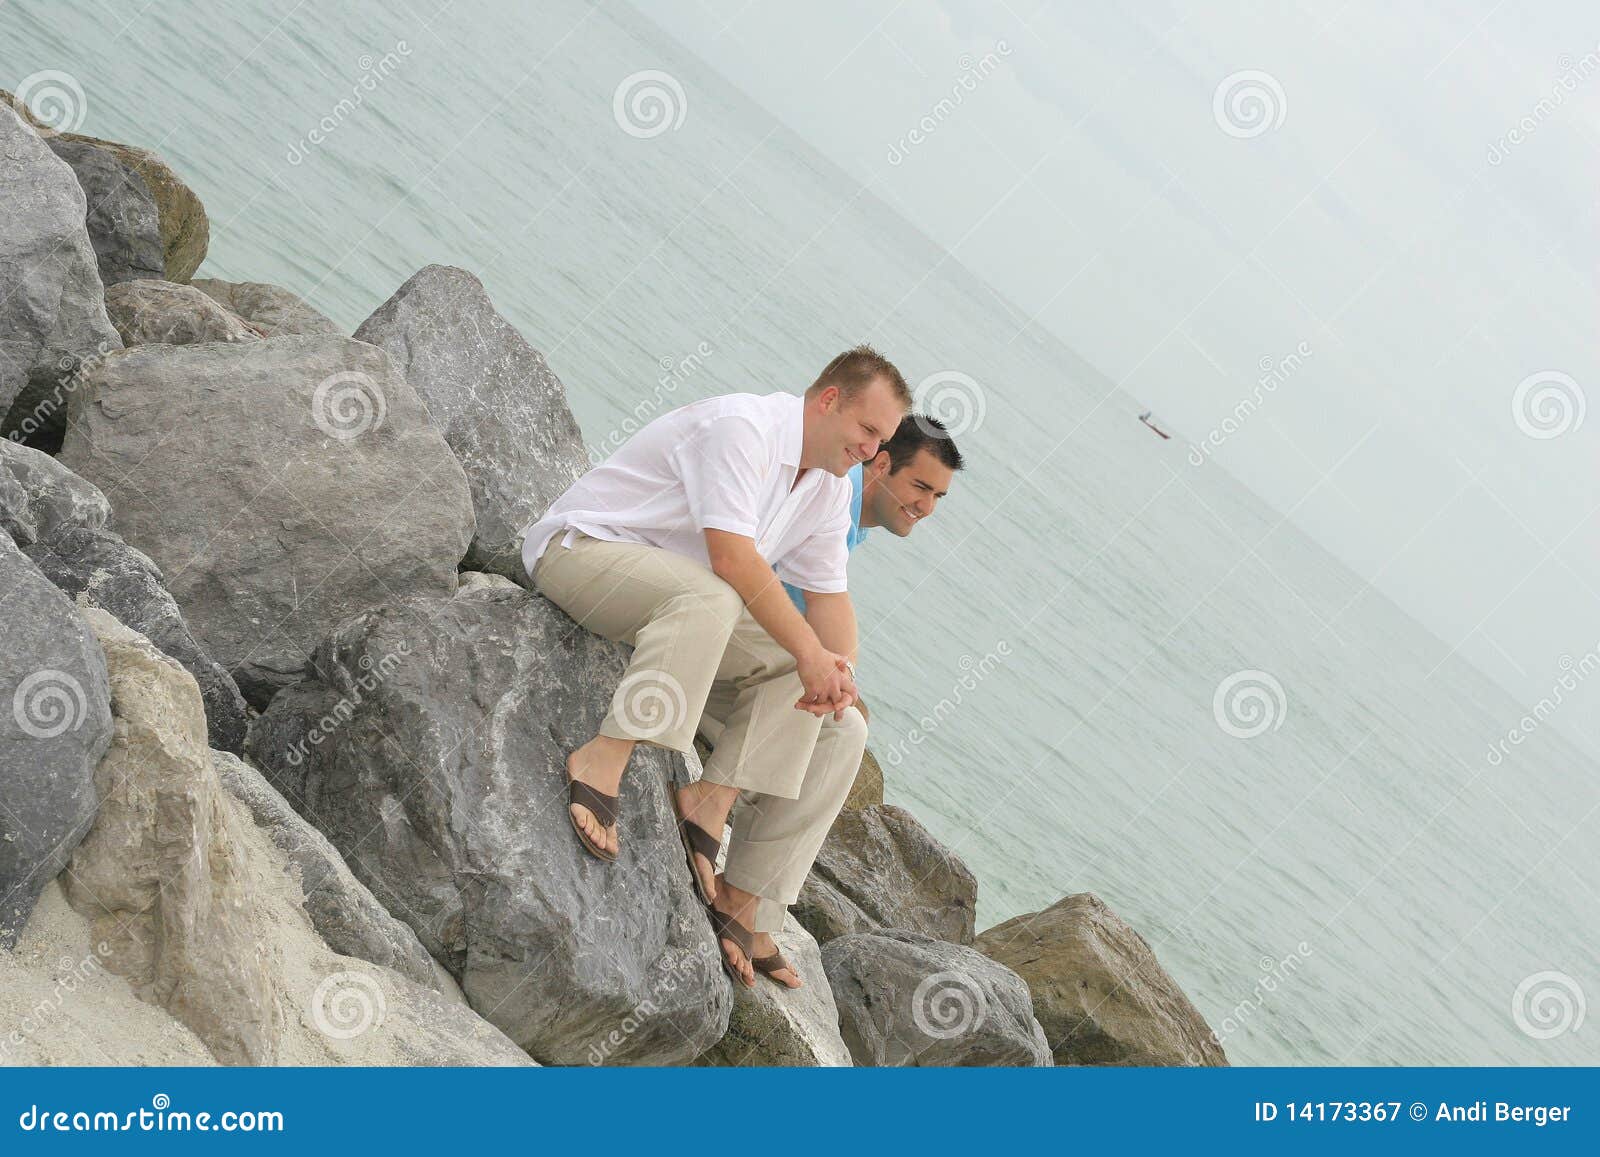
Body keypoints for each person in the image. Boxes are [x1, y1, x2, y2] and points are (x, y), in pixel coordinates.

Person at [520, 346, 911, 988]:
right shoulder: (743, 429)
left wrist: (835, 673)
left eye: (883, 440)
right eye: (868, 430)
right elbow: (731, 559)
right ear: (829, 400)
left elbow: (830, 601)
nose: (872, 450)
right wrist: (810, 655)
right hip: (587, 555)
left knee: (844, 728)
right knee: (722, 598)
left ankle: (743, 890)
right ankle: (605, 755)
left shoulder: (829, 489)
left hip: (687, 615)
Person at [695, 413, 963, 985]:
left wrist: (839, 676)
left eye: (938, 496)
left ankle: (749, 904)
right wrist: (830, 669)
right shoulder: (834, 499)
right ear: (882, 462)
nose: (927, 507)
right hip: (716, 652)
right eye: (921, 487)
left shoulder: (851, 522)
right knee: (820, 689)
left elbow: (827, 613)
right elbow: (781, 610)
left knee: (847, 730)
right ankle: (710, 807)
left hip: (754, 666)